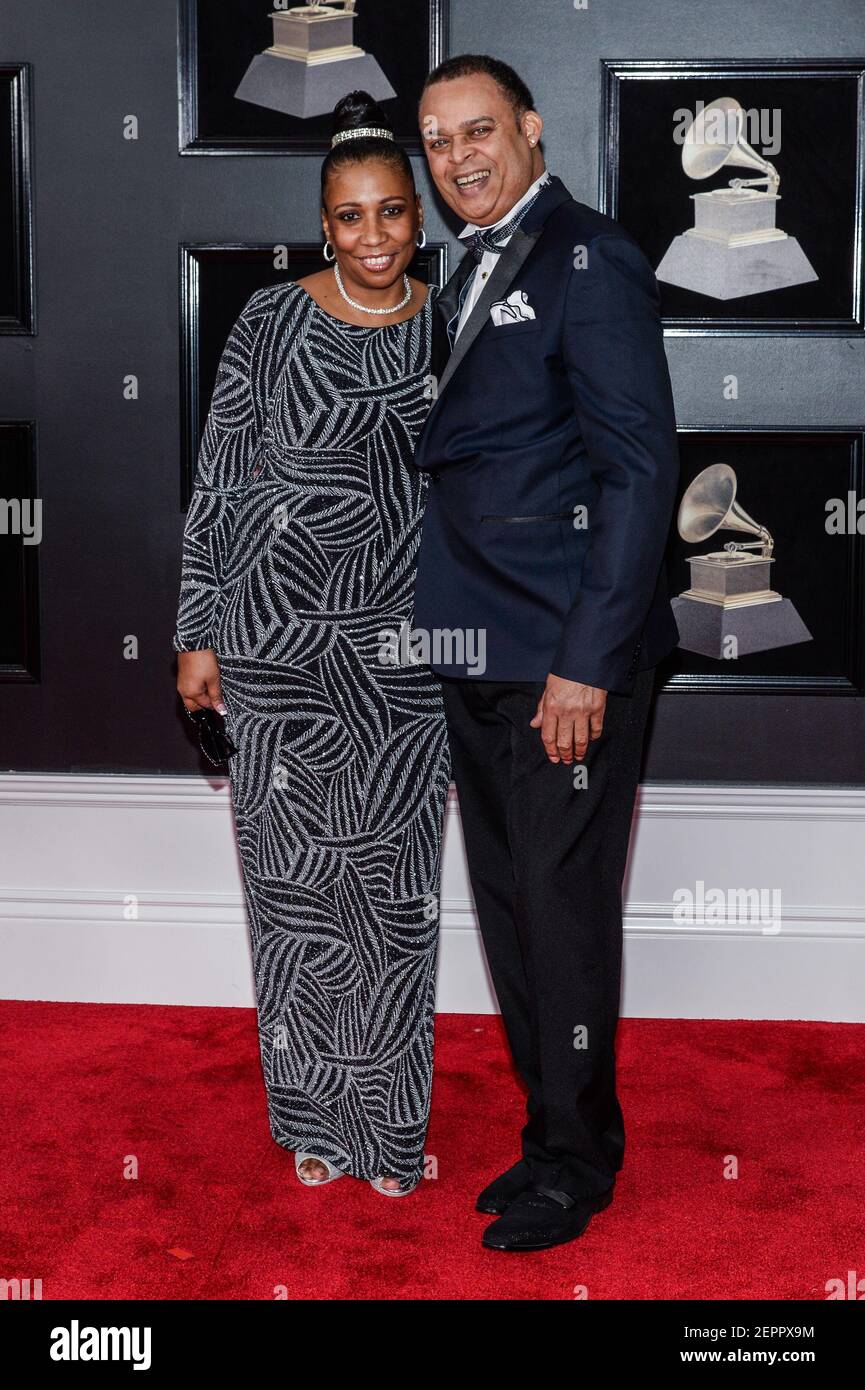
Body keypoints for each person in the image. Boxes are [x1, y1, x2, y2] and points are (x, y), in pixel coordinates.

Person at [413, 55, 681, 1249]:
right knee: (515, 908)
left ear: (528, 129)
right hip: (475, 644)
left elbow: (636, 474)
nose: (457, 156)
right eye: (435, 140)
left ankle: (576, 1164)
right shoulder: (453, 269)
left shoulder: (591, 256)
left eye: (478, 130)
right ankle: (548, 1136)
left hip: (563, 657)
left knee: (560, 913)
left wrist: (587, 662)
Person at [174, 91, 450, 1197]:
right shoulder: (269, 322)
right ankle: (313, 1123)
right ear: (322, 222)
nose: (373, 236)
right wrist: (197, 634)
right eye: (350, 216)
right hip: (274, 645)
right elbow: (222, 482)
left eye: (392, 213)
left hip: (406, 653)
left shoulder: (454, 321)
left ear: (418, 218)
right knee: (294, 900)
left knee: (391, 899)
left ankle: (388, 1135)